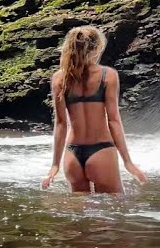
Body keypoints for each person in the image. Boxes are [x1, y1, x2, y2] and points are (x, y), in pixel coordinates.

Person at [41, 25, 148, 193]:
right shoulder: (107, 75)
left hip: (72, 155)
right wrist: (128, 162)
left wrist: (54, 166)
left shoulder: (59, 78)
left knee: (80, 215)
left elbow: (61, 124)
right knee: (115, 212)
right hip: (101, 150)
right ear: (97, 49)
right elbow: (113, 121)